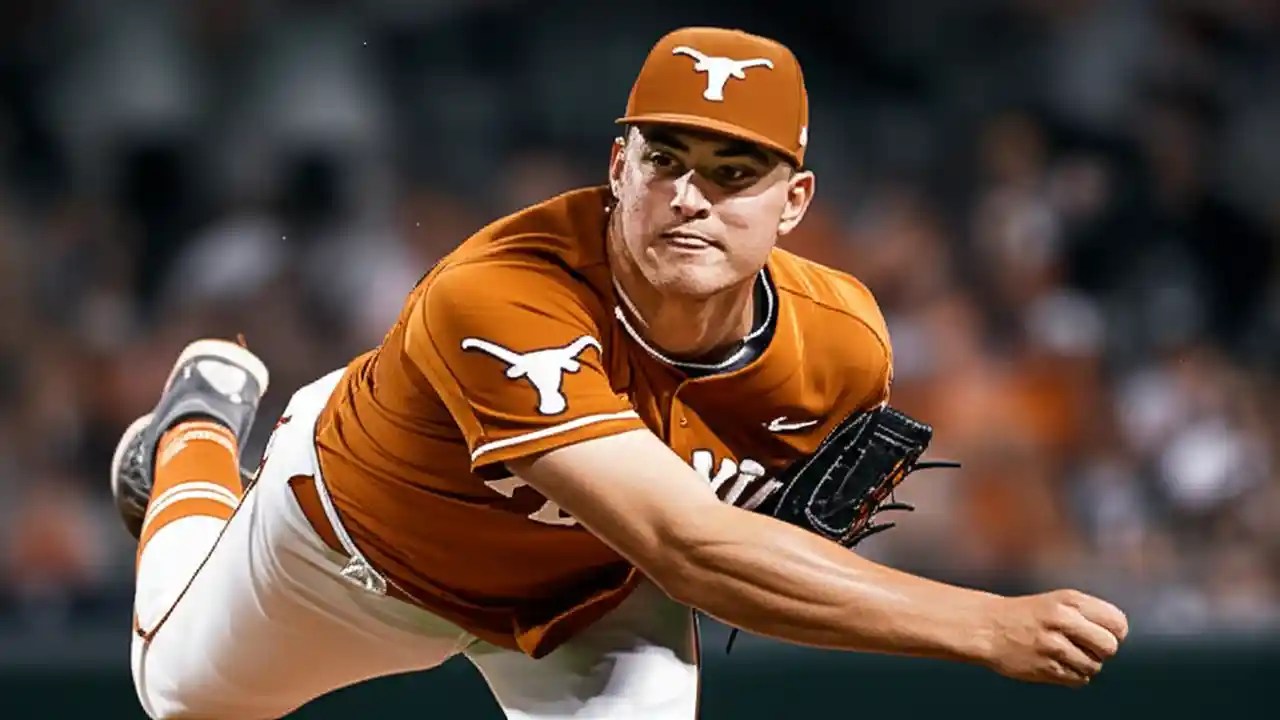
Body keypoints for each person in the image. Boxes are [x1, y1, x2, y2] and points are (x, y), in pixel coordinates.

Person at [113, 26, 1128, 719]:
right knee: (178, 696)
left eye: (735, 172)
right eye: (666, 159)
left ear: (794, 202)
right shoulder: (504, 293)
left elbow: (739, 554)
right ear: (616, 168)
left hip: (590, 603)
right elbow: (694, 550)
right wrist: (986, 623)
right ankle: (197, 425)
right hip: (355, 554)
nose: (692, 195)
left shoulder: (842, 348)